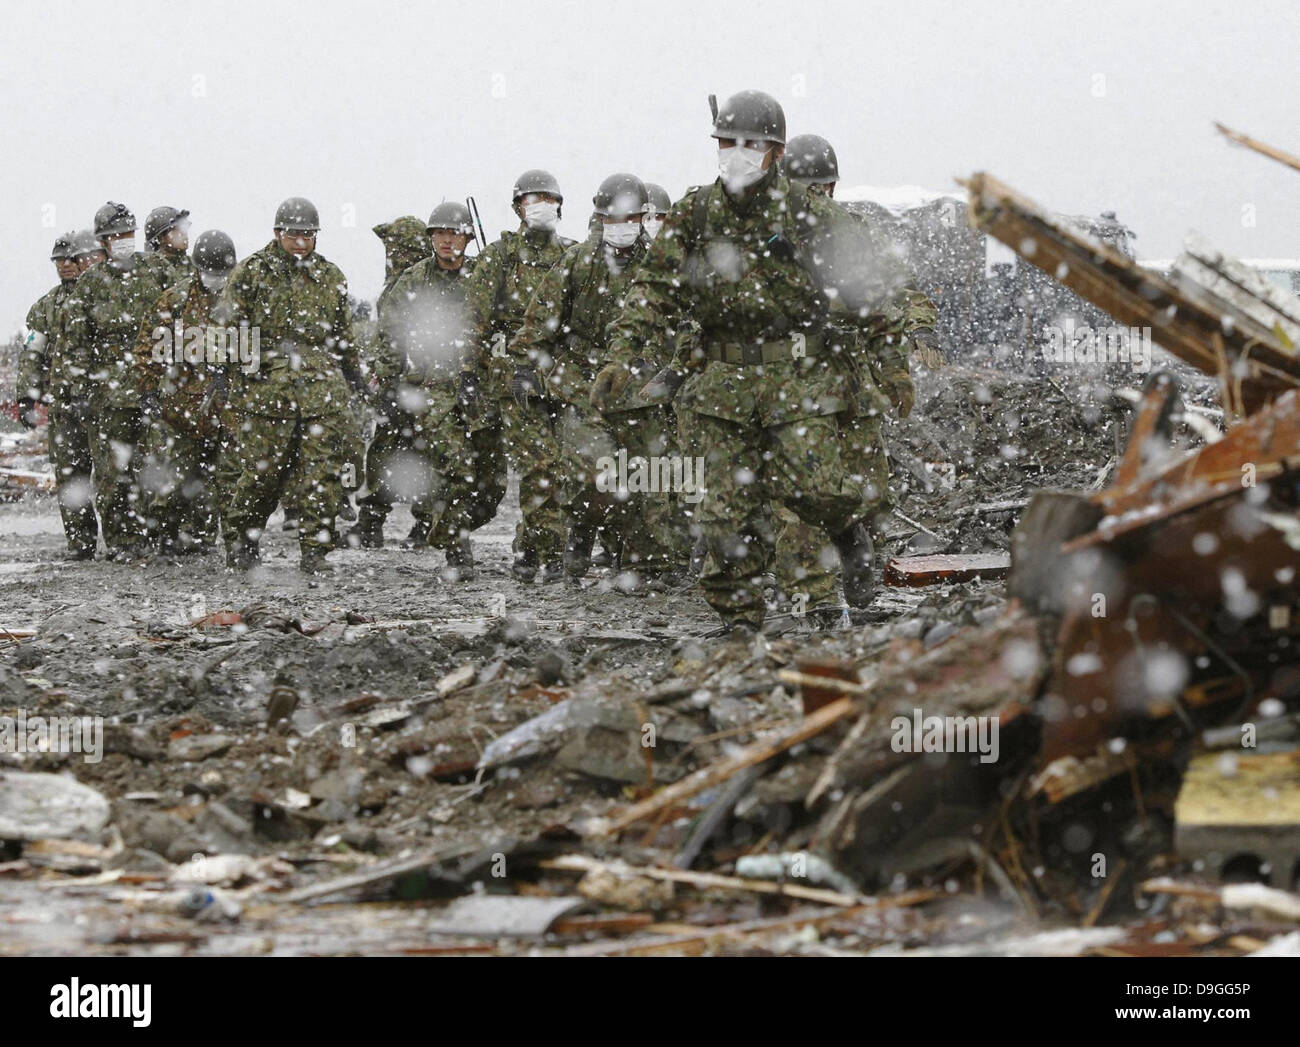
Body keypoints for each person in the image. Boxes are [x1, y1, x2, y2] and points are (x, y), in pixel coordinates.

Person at [598, 90, 932, 634]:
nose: (736, 153)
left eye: (750, 145)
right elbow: (652, 290)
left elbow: (868, 295)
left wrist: (892, 365)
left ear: (775, 153)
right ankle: (740, 623)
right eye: (727, 143)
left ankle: (849, 529)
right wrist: (621, 356)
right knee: (724, 515)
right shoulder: (695, 213)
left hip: (799, 381)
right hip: (722, 385)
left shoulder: (811, 215)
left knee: (814, 491)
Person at [512, 172, 687, 585]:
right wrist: (526, 368)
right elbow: (540, 321)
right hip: (584, 387)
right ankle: (582, 531)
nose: (621, 227)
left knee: (651, 479)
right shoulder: (577, 263)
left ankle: (647, 565)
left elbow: (688, 322)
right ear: (600, 218)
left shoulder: (663, 268)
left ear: (643, 218)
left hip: (644, 388)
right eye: (612, 219)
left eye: (629, 218)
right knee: (597, 475)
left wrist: (679, 370)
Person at [215, 196, 364, 574]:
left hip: (321, 392)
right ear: (278, 232)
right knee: (261, 475)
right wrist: (224, 376)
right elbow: (226, 330)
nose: (301, 243)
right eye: (294, 235)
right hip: (267, 392)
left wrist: (355, 378)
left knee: (322, 476)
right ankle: (242, 543)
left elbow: (342, 336)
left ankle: (316, 551)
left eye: (308, 235)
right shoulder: (251, 272)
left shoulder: (330, 277)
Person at [367, 201, 507, 577]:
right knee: (455, 471)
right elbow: (391, 334)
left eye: (456, 233)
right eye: (440, 234)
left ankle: (444, 531)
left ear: (470, 237)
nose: (448, 241)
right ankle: (457, 552)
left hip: (483, 390)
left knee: (493, 485)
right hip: (437, 390)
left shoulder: (487, 276)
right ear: (431, 238)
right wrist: (388, 384)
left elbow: (511, 324)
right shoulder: (413, 281)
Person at [462, 169, 576, 582]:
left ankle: (540, 547)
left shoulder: (573, 254)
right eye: (533, 199)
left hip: (566, 374)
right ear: (518, 208)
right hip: (516, 375)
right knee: (540, 465)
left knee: (566, 464)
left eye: (549, 198)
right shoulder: (500, 256)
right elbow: (474, 321)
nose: (542, 205)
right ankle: (541, 553)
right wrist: (469, 374)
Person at [63, 202, 171, 559]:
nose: (121, 241)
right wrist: (78, 389)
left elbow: (185, 315)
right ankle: (123, 543)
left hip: (156, 383)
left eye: (126, 234)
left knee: (157, 467)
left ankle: (160, 536)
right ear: (102, 242)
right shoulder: (91, 284)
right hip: (108, 394)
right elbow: (76, 343)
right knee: (112, 474)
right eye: (113, 237)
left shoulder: (157, 270)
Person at [134, 230, 240, 555]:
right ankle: (164, 540)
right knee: (171, 485)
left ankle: (232, 546)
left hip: (229, 411)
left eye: (222, 274)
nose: (215, 281)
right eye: (209, 273)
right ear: (196, 268)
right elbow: (147, 348)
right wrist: (147, 390)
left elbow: (260, 350)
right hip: (181, 409)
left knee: (231, 483)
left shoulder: (243, 301)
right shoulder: (174, 301)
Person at [351, 216, 433, 547]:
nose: (390, 255)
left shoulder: (418, 286)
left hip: (419, 384)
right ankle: (374, 523)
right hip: (399, 385)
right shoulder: (399, 286)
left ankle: (423, 524)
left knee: (420, 453)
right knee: (391, 451)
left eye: (395, 249)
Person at [16, 232, 99, 558]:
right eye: (59, 260)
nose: (65, 265)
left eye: (72, 258)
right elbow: (32, 353)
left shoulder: (102, 297)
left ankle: (125, 544)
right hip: (64, 406)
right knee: (69, 477)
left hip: (102, 403)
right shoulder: (45, 308)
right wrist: (26, 396)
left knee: (112, 479)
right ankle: (81, 545)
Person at [143, 206, 195, 280]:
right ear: (161, 238)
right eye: (177, 229)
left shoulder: (194, 266)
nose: (184, 233)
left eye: (184, 228)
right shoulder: (147, 269)